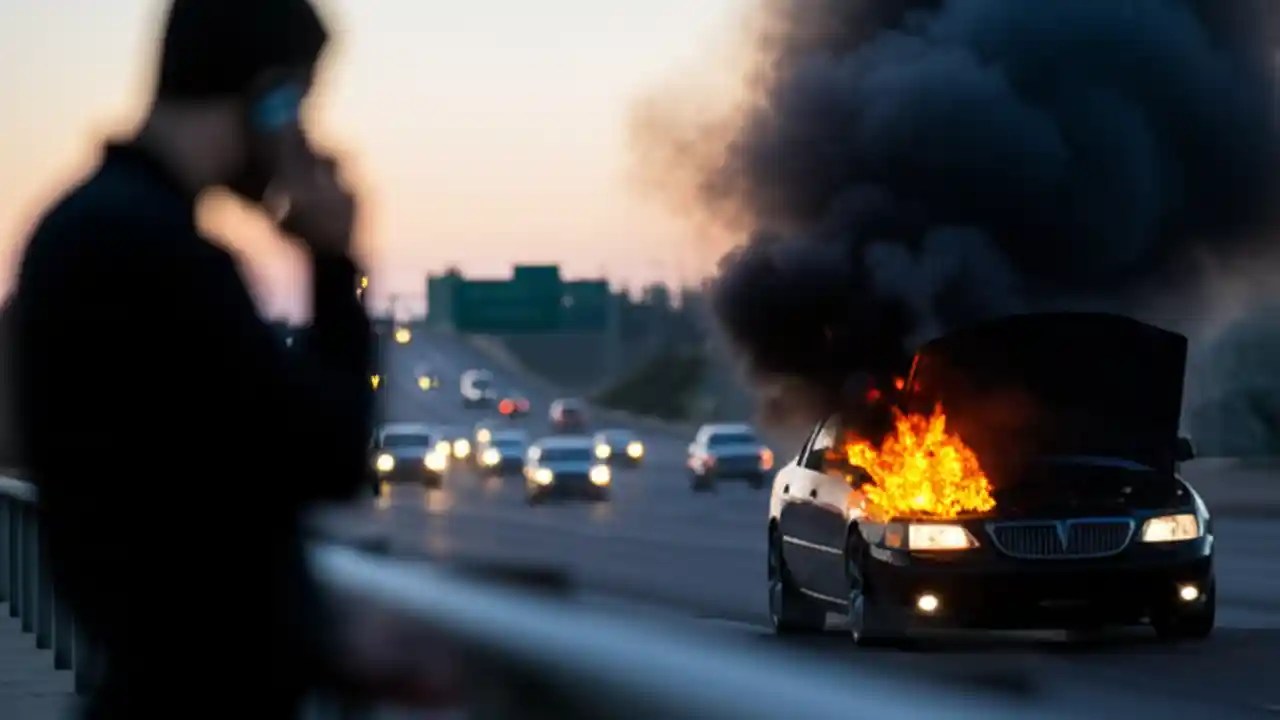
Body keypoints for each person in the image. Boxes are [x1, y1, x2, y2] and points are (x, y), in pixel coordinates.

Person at [11, 0, 373, 716]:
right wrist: (334, 265)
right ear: (271, 97)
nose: (302, 133)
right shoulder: (158, 252)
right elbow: (330, 455)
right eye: (299, 103)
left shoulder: (83, 228)